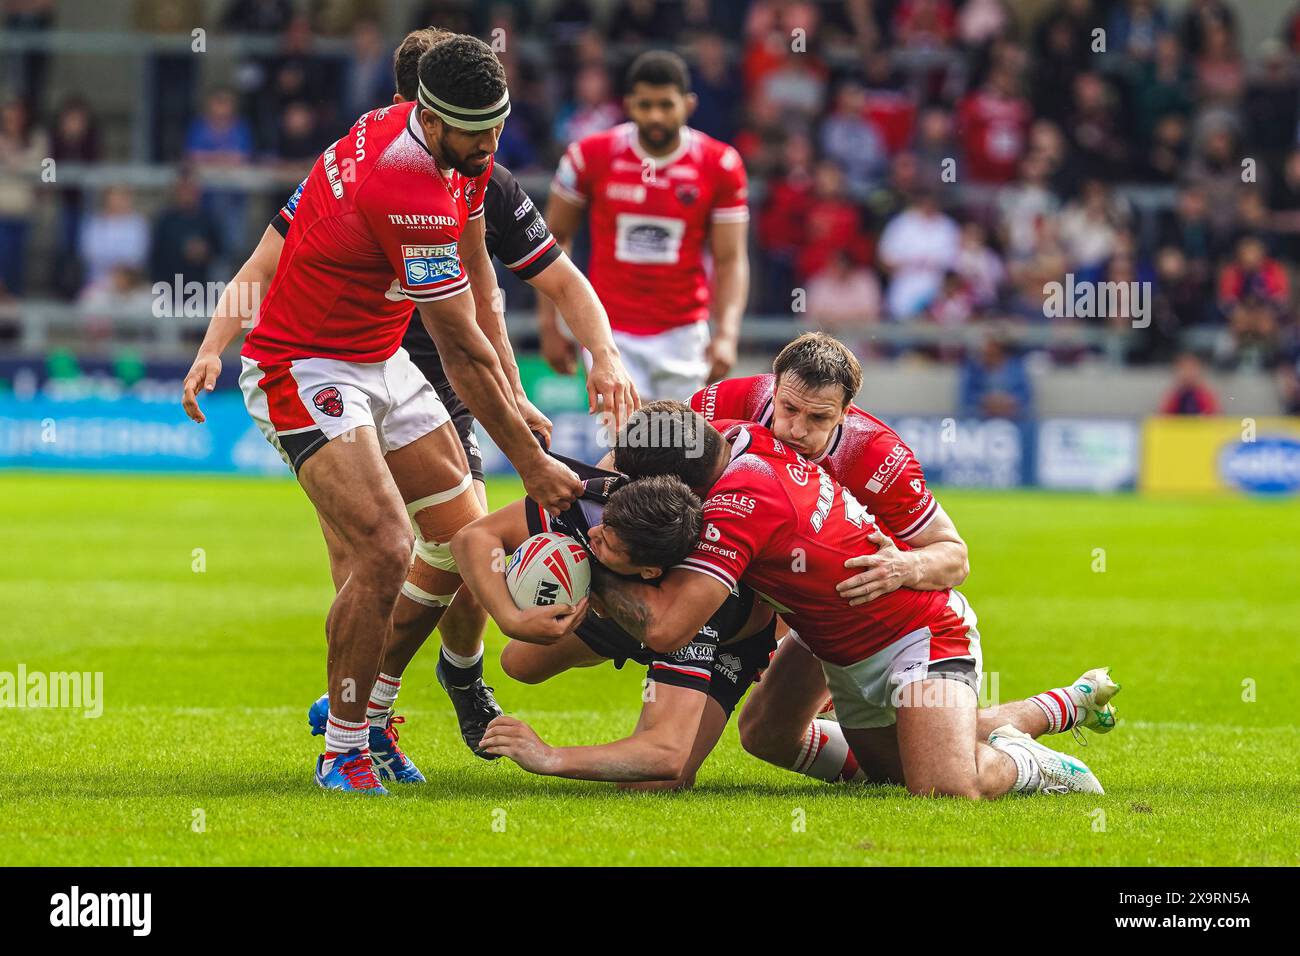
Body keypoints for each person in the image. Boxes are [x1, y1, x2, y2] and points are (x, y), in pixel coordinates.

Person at [183, 29, 638, 778]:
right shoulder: (406, 187)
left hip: (380, 357)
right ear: (428, 119)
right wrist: (534, 467)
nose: (492, 141)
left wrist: (517, 395)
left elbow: (484, 296)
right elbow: (459, 350)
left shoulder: (426, 142)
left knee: (465, 539)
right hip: (301, 366)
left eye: (499, 122)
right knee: (382, 551)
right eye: (477, 129)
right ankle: (345, 750)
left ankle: (375, 701)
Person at [585, 403, 1110, 798]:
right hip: (833, 645)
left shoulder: (737, 507)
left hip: (918, 633)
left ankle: (1033, 765)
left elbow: (665, 630)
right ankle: (1057, 705)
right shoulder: (744, 436)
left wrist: (593, 569)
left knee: (944, 786)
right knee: (774, 737)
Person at [452, 461, 789, 787]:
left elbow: (665, 754)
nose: (594, 534)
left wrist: (549, 757)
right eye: (605, 523)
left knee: (654, 782)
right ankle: (620, 631)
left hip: (729, 645)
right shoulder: (592, 501)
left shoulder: (690, 612)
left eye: (608, 544)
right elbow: (472, 539)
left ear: (650, 572)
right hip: (626, 606)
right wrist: (510, 620)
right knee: (519, 663)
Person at [541, 50, 750, 400]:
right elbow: (553, 242)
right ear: (628, 104)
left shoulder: (720, 164)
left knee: (682, 449)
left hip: (684, 333)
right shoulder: (588, 156)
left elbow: (730, 258)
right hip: (608, 331)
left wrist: (727, 334)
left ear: (688, 104)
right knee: (626, 447)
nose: (655, 115)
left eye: (666, 105)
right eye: (645, 105)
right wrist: (551, 325)